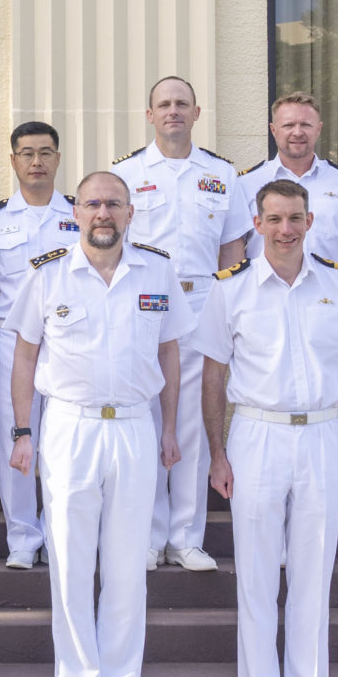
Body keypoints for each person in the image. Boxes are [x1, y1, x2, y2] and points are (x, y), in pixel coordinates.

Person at [8, 171, 189, 677]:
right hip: (69, 428)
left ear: (130, 213)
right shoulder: (48, 274)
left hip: (135, 426)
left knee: (127, 569)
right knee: (69, 567)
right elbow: (23, 357)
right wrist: (20, 430)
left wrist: (167, 431)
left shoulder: (157, 271)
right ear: (75, 213)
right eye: (92, 204)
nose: (103, 213)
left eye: (113, 203)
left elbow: (171, 354)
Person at [198, 180, 338, 677]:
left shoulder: (337, 285)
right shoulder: (232, 289)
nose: (286, 229)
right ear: (257, 222)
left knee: (312, 576)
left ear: (311, 220)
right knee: (257, 575)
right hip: (257, 436)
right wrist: (218, 452)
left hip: (321, 435)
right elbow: (213, 377)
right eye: (274, 219)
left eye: (295, 217)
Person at [110, 76, 251, 571]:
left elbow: (233, 247)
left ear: (196, 113)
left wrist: (232, 305)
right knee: (146, 419)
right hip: (143, 305)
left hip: (202, 303)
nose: (173, 111)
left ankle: (186, 536)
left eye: (182, 104)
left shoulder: (221, 173)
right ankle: (147, 536)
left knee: (192, 419)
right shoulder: (125, 172)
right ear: (149, 115)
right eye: (164, 104)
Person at [0, 121, 78, 569]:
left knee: (61, 440)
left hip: (65, 341)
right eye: (27, 153)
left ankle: (59, 532)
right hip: (14, 342)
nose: (36, 162)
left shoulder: (80, 216)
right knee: (16, 439)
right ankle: (22, 535)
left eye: (45, 153)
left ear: (58, 159)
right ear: (13, 159)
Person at [234, 91, 338, 300]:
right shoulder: (246, 184)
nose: (297, 132)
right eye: (288, 125)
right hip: (263, 300)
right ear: (274, 130)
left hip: (328, 301)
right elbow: (235, 252)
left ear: (318, 129)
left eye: (306, 125)